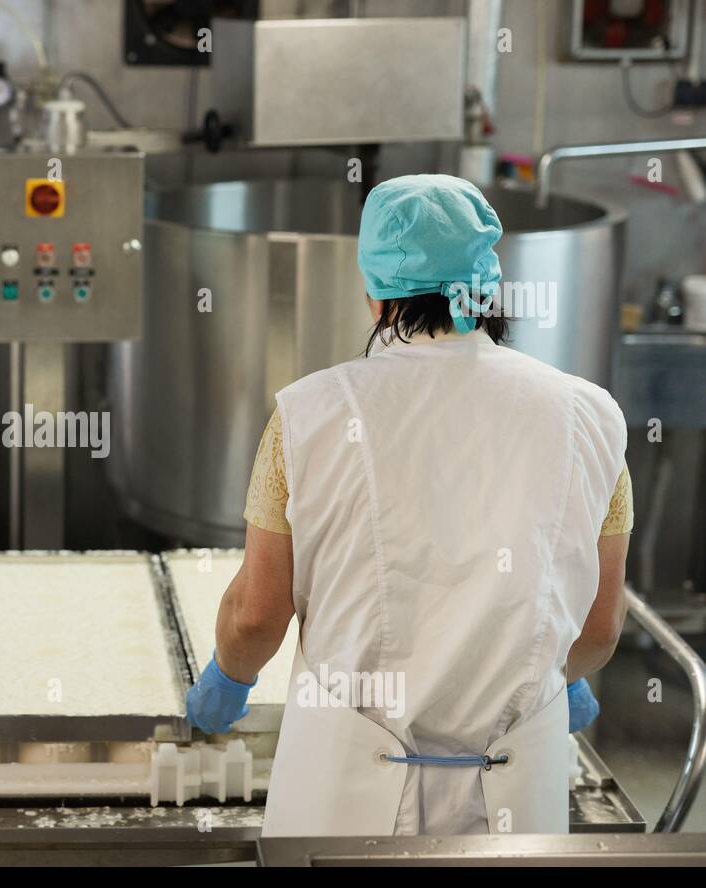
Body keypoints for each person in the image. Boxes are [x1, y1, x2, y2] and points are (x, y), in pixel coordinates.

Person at [185, 174, 632, 836]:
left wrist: (227, 677)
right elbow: (598, 625)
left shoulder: (309, 415)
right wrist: (551, 673)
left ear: (375, 294)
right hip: (515, 802)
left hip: (343, 803)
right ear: (487, 288)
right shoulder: (590, 416)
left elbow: (257, 616)